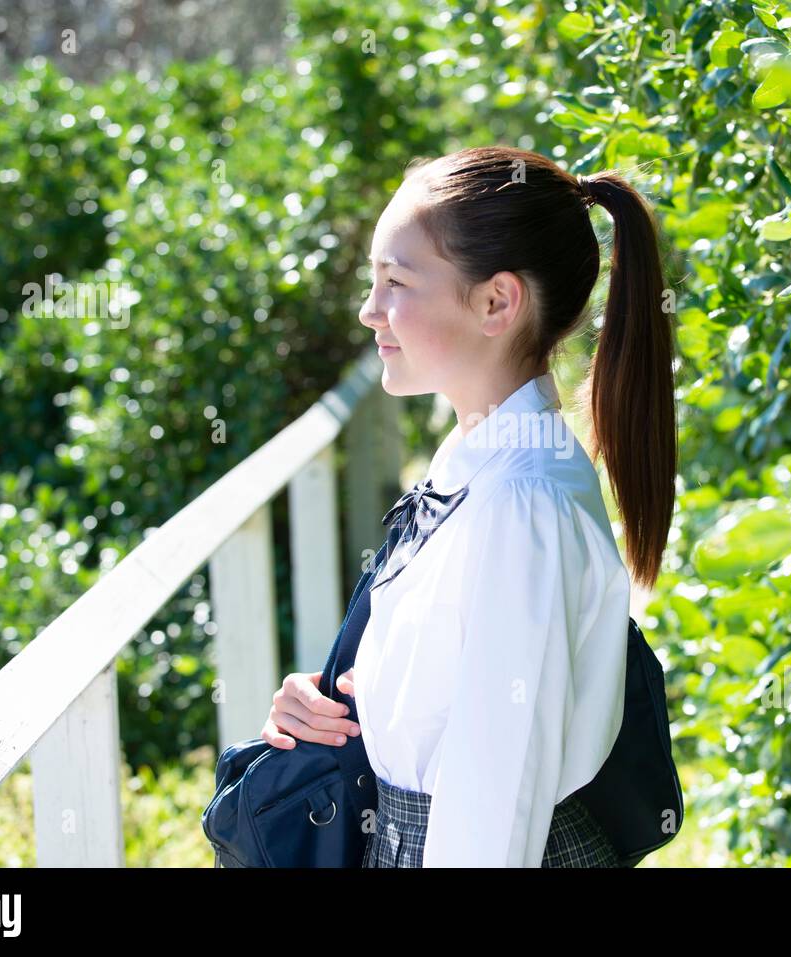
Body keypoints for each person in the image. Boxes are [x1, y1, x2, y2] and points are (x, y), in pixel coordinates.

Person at [261, 146, 677, 867]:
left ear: (496, 302)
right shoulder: (477, 462)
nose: (370, 310)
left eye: (396, 281)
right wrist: (339, 704)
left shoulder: (521, 501)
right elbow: (450, 696)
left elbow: (496, 793)